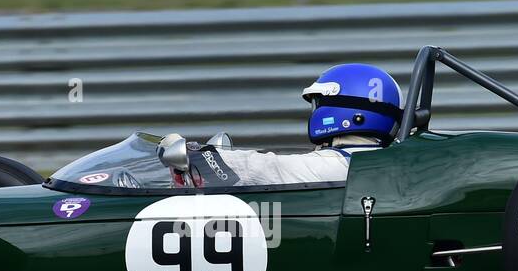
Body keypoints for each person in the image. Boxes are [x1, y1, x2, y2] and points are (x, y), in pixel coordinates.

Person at [168, 63, 403, 187]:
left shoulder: (339, 164)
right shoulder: (383, 157)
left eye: (319, 104)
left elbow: (267, 168)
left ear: (349, 112)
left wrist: (198, 155)